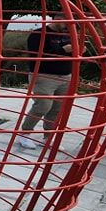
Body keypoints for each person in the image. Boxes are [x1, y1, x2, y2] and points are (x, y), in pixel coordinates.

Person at [17, 13, 74, 150]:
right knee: (43, 105)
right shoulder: (38, 34)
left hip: (65, 76)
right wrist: (62, 50)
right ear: (57, 21)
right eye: (66, 23)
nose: (68, 26)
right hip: (44, 76)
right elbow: (37, 55)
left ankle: (48, 138)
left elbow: (72, 52)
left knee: (56, 109)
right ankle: (24, 133)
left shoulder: (67, 34)